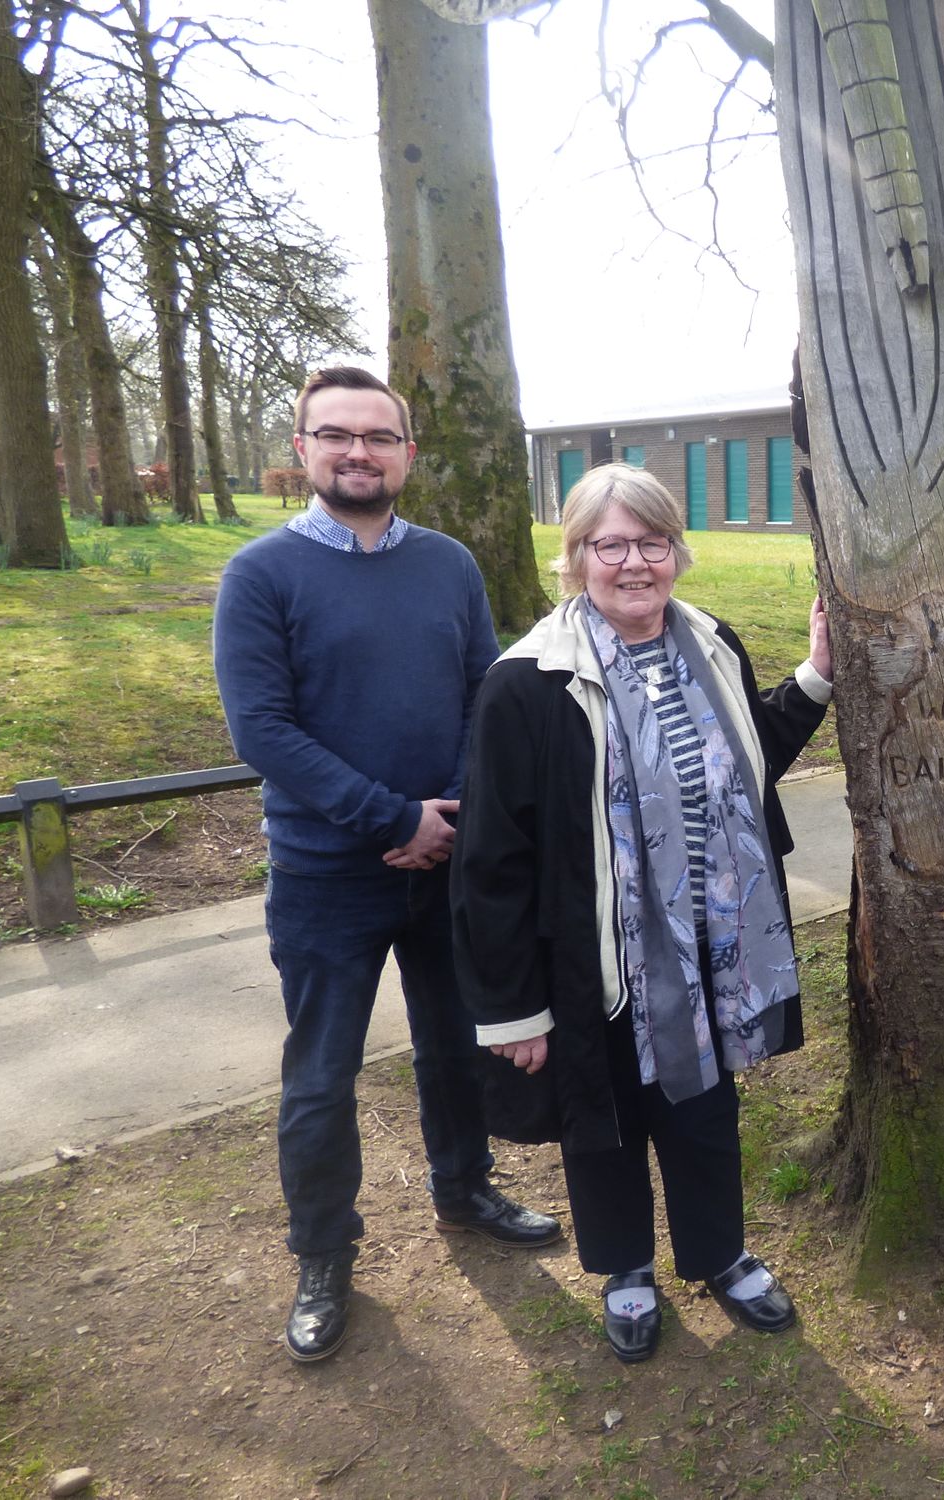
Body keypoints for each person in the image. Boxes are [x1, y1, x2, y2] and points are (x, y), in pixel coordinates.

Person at [213, 367, 560, 1366]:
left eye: (377, 436)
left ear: (407, 452)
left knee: (456, 1047)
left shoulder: (449, 565)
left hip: (448, 863)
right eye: (336, 435)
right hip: (327, 877)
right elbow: (262, 729)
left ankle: (465, 1188)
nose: (357, 452)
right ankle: (323, 1254)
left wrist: (449, 816)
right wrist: (392, 818)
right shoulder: (261, 574)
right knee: (320, 1077)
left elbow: (484, 696)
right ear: (304, 449)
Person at [450, 463, 832, 1366]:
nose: (633, 563)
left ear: (676, 551)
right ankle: (626, 1267)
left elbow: (744, 761)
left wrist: (816, 676)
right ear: (576, 556)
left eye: (651, 542)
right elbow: (491, 861)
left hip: (710, 945)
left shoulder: (712, 643)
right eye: (610, 545)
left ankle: (721, 1254)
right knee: (607, 1118)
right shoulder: (528, 683)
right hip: (597, 957)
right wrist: (512, 1009)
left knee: (704, 1109)